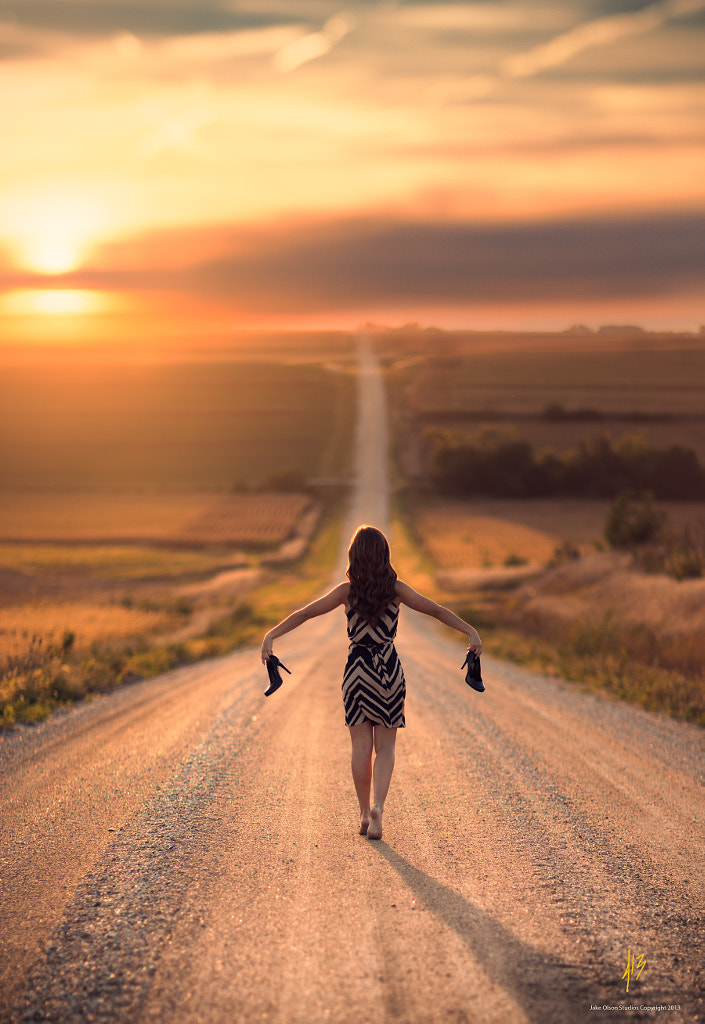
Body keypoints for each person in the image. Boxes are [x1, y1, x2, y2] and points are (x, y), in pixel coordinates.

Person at [260, 524, 482, 841]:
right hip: (388, 670)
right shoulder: (397, 590)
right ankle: (378, 807)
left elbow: (305, 613)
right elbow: (434, 610)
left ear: (354, 556)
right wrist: (470, 631)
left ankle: (364, 813)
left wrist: (271, 635)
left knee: (360, 747)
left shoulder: (346, 592)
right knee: (385, 748)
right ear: (384, 555)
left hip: (357, 671)